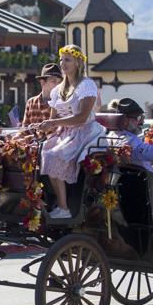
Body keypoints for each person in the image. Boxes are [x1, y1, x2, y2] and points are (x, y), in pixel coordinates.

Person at [38, 44, 105, 218]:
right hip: (65, 133)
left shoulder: (86, 85)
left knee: (54, 156)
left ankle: (64, 208)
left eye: (67, 60)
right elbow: (53, 119)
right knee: (42, 151)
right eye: (61, 60)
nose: (62, 63)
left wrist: (53, 122)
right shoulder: (57, 91)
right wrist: (44, 126)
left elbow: (82, 117)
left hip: (85, 132)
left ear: (77, 62)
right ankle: (52, 202)